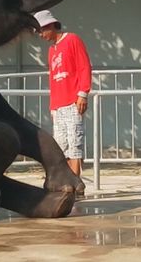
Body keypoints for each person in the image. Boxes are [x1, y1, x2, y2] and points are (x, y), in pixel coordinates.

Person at [33, 9, 92, 180]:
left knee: (75, 143)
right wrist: (52, 107)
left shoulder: (72, 40)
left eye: (42, 30)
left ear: (51, 25)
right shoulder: (51, 50)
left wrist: (82, 93)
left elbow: (84, 66)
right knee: (61, 145)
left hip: (73, 101)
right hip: (58, 104)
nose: (41, 35)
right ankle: (67, 180)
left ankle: (76, 181)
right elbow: (52, 78)